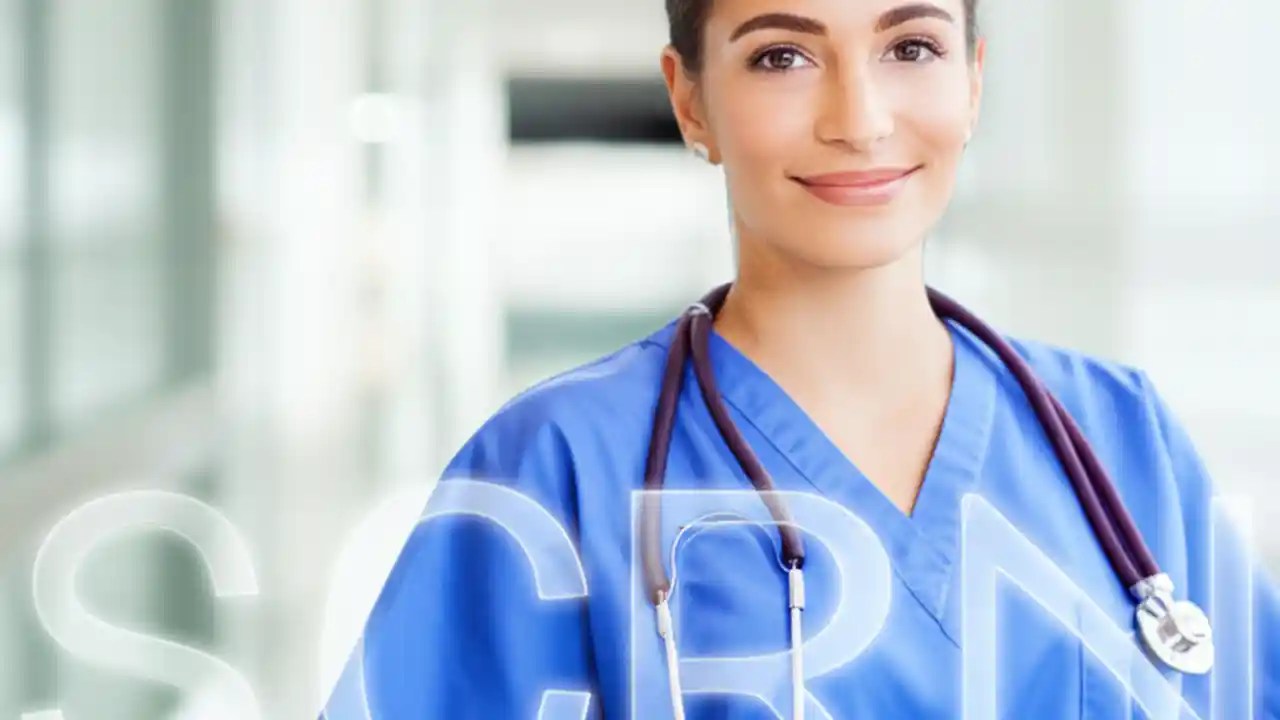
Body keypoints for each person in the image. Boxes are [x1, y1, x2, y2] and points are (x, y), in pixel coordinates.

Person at [341, 0, 1280, 717]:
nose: (859, 118)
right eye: (782, 56)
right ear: (689, 99)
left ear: (975, 82)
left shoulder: (1120, 434)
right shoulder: (556, 467)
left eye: (911, 47)